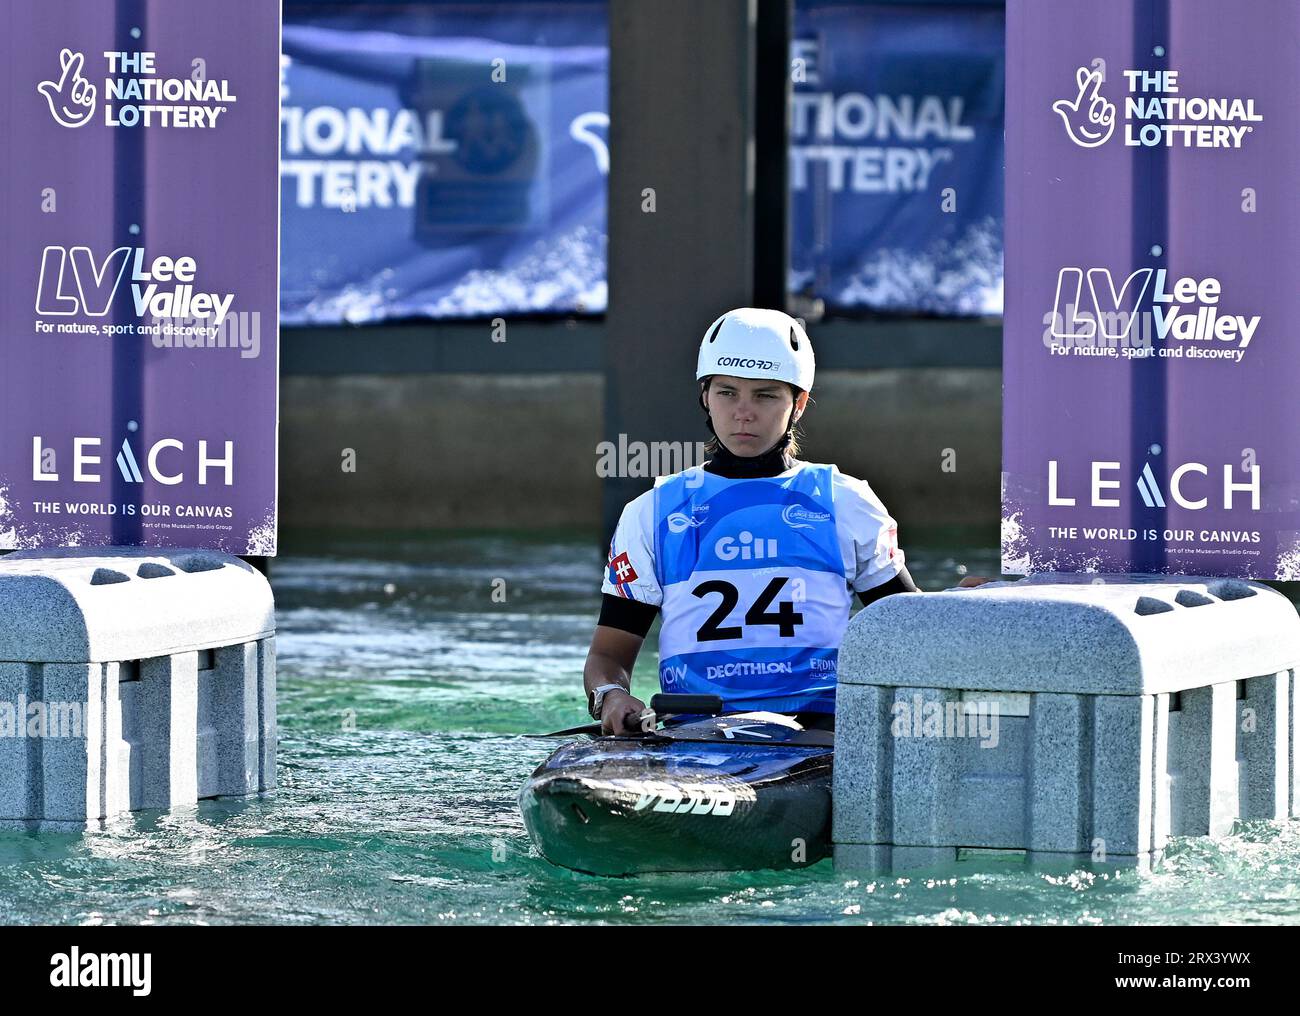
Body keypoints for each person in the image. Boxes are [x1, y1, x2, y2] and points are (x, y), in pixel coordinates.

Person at [584, 307, 986, 735]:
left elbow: (907, 635)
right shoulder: (652, 511)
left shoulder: (847, 501)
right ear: (705, 395)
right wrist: (611, 695)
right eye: (727, 392)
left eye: (765, 395)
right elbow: (608, 659)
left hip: (819, 735)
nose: (743, 412)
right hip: (694, 730)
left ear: (798, 404)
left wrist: (955, 613)